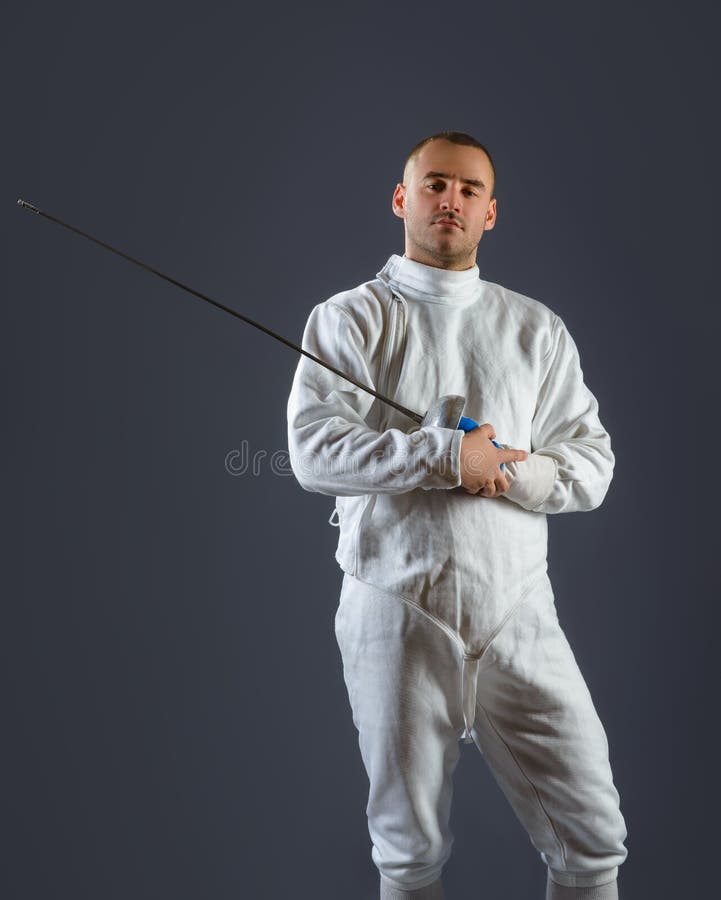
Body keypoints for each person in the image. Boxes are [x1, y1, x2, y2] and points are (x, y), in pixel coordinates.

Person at [286, 132, 628, 900]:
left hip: (518, 609)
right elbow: (313, 451)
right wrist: (443, 456)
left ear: (490, 213)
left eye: (468, 190)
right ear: (402, 200)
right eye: (434, 184)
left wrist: (505, 468)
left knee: (592, 840)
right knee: (408, 852)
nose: (451, 200)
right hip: (394, 604)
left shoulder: (534, 329)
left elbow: (592, 464)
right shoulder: (348, 319)